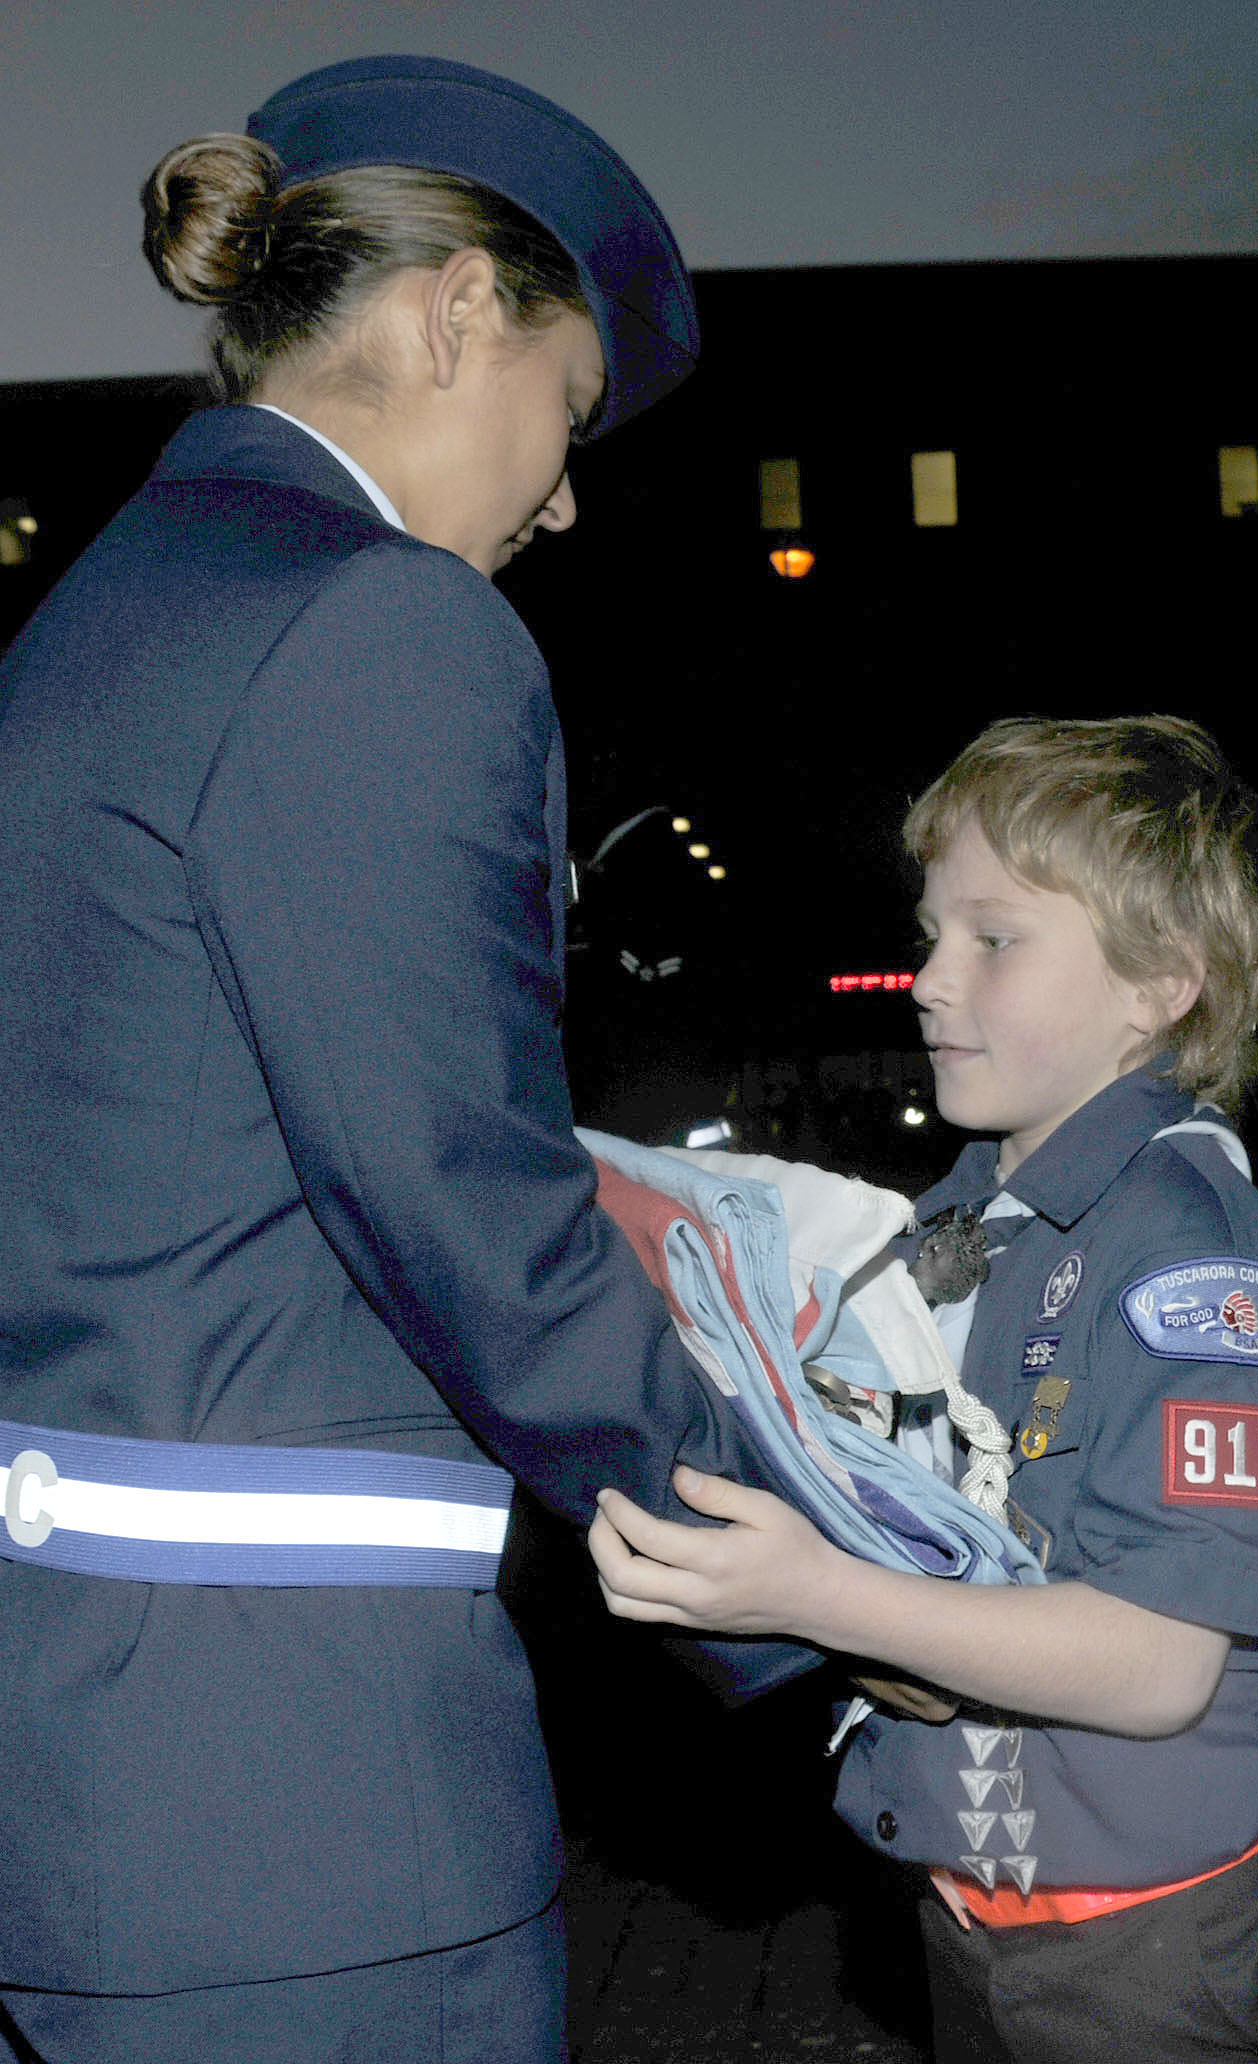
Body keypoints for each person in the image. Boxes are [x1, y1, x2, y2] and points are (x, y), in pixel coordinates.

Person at [0, 54, 783, 2064]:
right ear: (457, 315)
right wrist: (819, 1598)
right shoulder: (380, 630)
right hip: (296, 1812)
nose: (567, 490)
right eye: (571, 409)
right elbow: (461, 1202)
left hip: (92, 1767)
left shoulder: (88, 627)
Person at [591, 715, 1258, 2062]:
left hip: (1161, 1954)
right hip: (980, 1921)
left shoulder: (1202, 1271)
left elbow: (1155, 1664)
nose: (927, 981)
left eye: (992, 939)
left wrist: (810, 1593)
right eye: (931, 931)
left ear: (1160, 982)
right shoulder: (955, 1233)